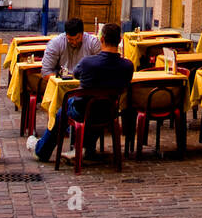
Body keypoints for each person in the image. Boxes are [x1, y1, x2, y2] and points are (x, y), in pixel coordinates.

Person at [29, 22, 133, 163]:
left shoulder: (87, 63)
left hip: (83, 110)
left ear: (101, 39)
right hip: (110, 110)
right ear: (120, 41)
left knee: (65, 108)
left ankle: (42, 150)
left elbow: (76, 75)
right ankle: (86, 148)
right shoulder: (127, 66)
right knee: (96, 105)